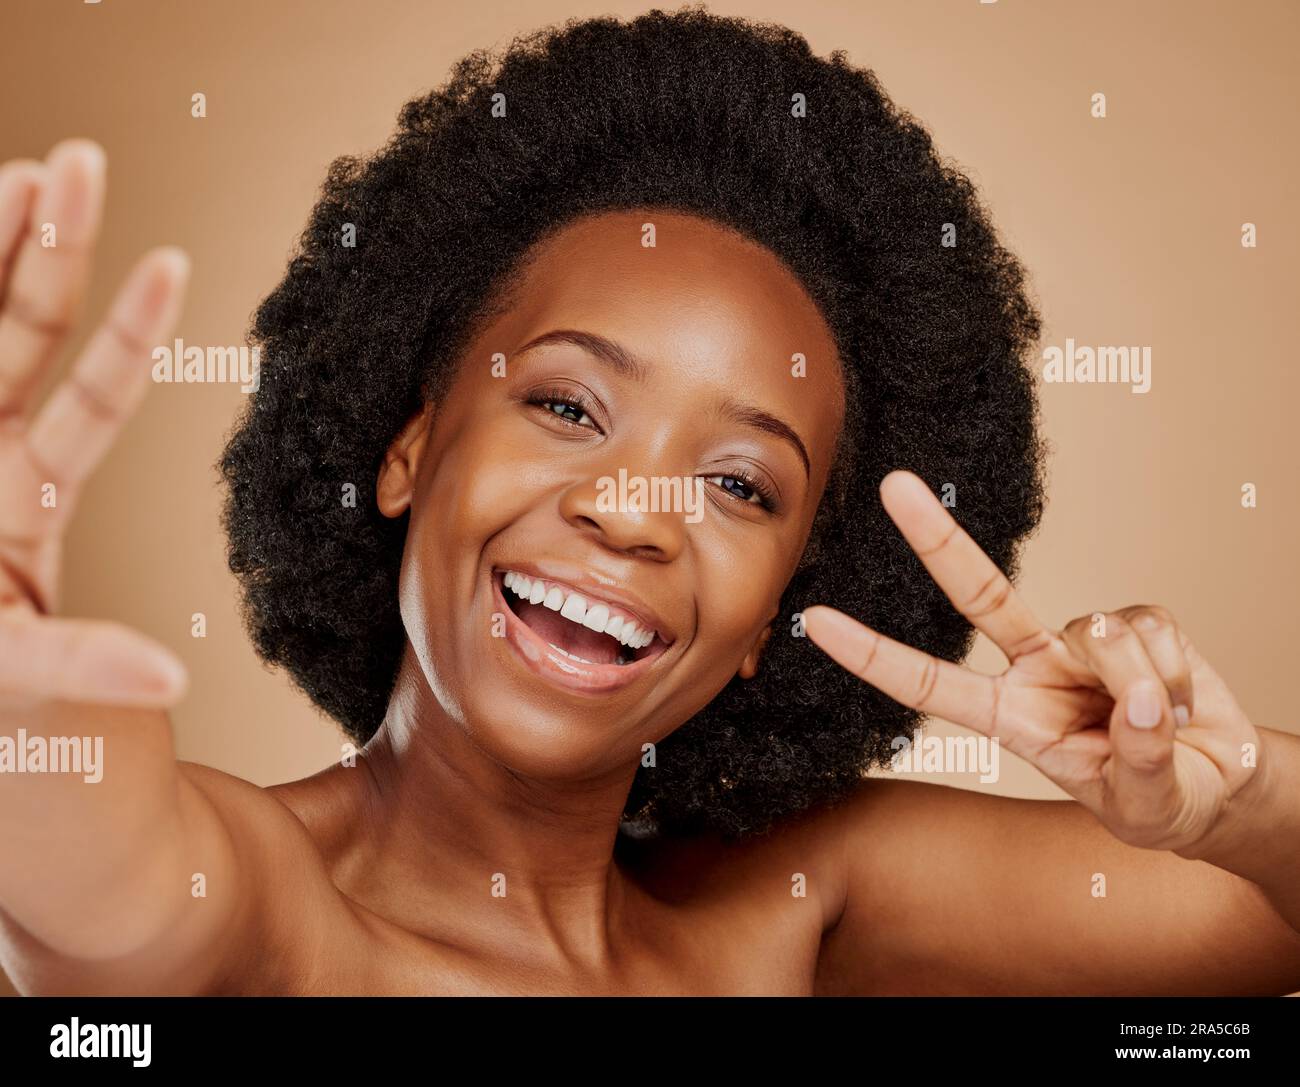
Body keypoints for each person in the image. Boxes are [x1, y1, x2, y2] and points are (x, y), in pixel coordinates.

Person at [1, 8, 1297, 996]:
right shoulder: (272, 911)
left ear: (775, 617)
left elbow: (1261, 926)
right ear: (407, 449)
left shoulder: (798, 911)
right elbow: (99, 890)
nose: (634, 514)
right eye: (566, 406)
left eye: (739, 484)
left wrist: (1231, 808)